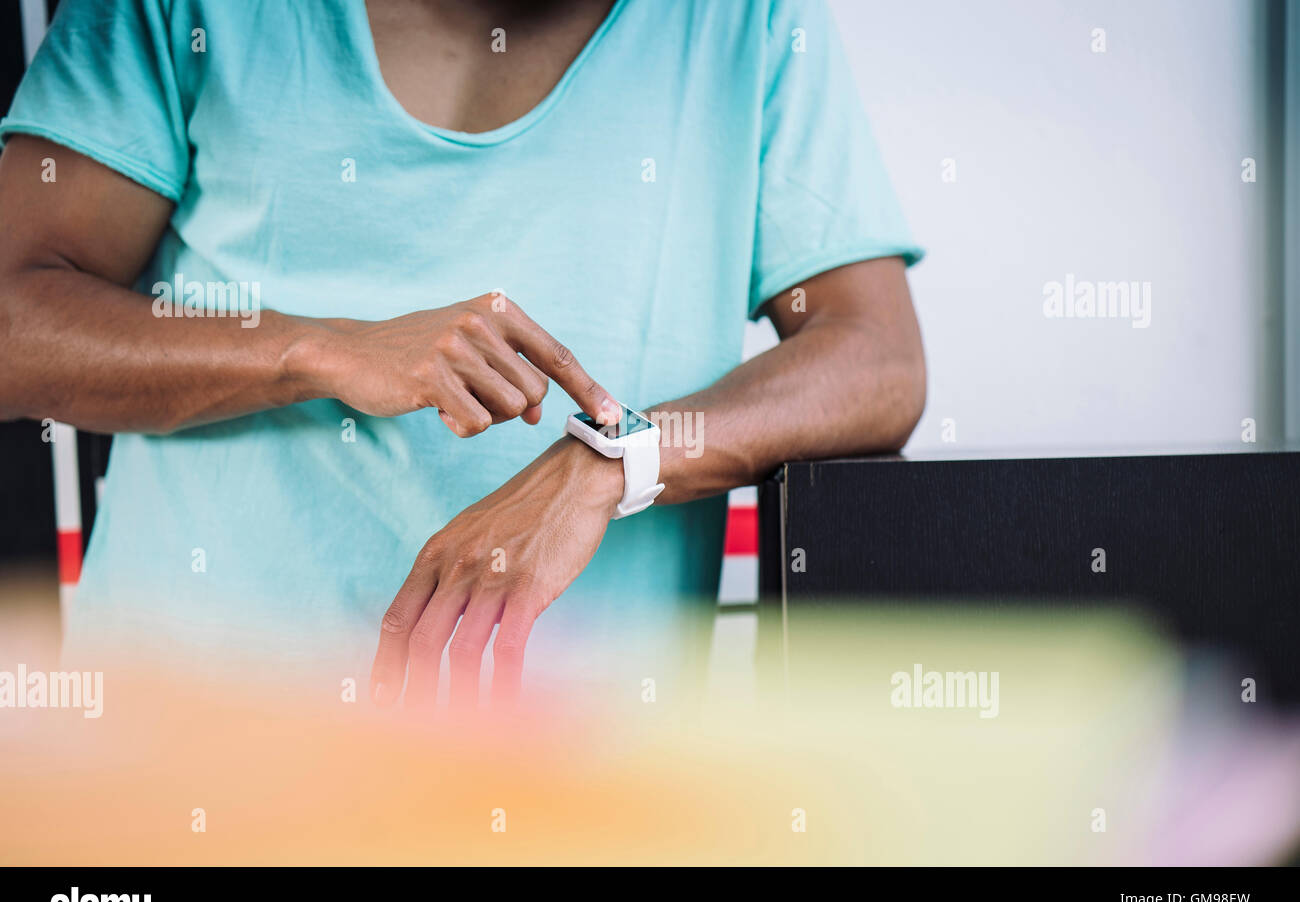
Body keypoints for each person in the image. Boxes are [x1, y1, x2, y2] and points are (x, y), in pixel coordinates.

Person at [0, 0, 925, 709]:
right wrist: (318, 348)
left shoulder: (747, 23)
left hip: (578, 766)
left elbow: (877, 355)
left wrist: (617, 458)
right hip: (190, 743)